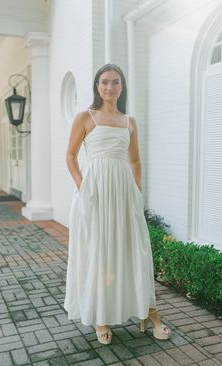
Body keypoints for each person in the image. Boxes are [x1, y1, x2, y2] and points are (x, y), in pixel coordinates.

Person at [64, 64, 171, 345]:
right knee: (99, 253)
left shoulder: (129, 121)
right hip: (95, 192)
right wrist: (82, 185)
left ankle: (150, 312)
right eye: (104, 82)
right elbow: (71, 156)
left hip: (124, 193)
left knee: (135, 251)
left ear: (122, 87)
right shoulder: (85, 117)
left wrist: (137, 191)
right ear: (97, 86)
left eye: (115, 82)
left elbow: (135, 160)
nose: (110, 87)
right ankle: (101, 317)